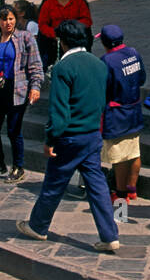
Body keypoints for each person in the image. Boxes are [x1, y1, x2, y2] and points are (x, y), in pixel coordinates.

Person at [17, 19, 120, 253]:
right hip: (92, 134)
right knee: (97, 187)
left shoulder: (64, 68)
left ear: (62, 42)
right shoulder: (99, 64)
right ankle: (109, 234)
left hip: (70, 136)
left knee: (54, 184)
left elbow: (59, 110)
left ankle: (38, 225)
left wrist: (51, 138)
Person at [0, 5, 43, 183]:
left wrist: (35, 86)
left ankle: (18, 167)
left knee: (14, 131)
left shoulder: (25, 37)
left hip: (16, 90)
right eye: (4, 19)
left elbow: (36, 65)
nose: (8, 23)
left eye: (11, 19)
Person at [98, 24, 146, 205]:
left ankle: (120, 194)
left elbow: (105, 87)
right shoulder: (133, 53)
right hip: (134, 110)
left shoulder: (107, 61)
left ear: (104, 42)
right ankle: (132, 188)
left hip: (117, 114)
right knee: (134, 151)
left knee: (119, 157)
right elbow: (142, 78)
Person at [36, 0, 92, 70]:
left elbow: (87, 20)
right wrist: (55, 34)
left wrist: (73, 30)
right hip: (54, 44)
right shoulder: (48, 4)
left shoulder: (78, 1)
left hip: (76, 41)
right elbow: (43, 24)